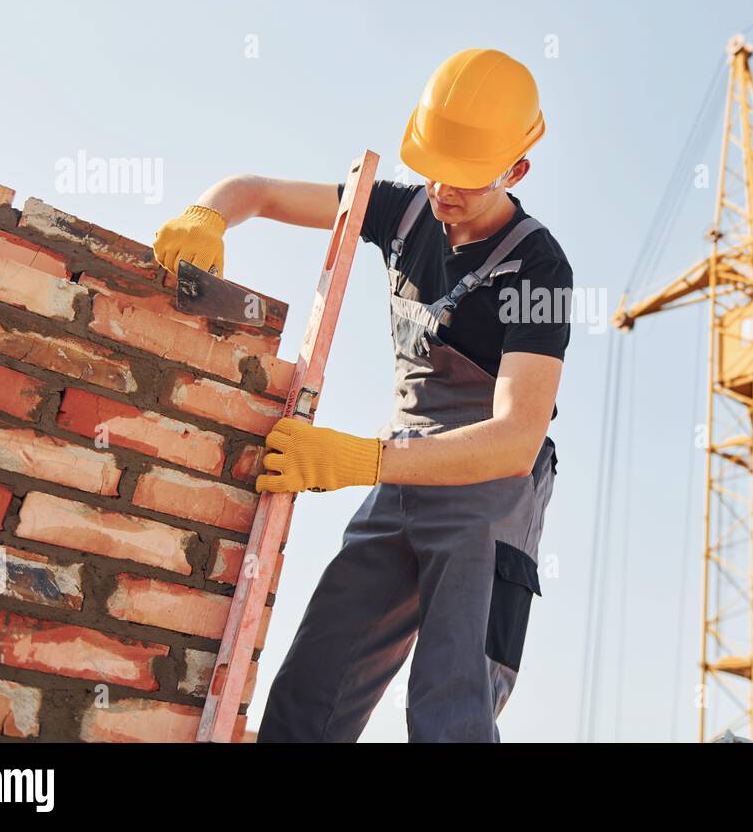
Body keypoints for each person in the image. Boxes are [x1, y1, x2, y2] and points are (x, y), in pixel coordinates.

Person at [151, 48, 572, 742]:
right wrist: (210, 213)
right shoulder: (401, 213)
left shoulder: (539, 265)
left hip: (485, 498)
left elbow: (515, 438)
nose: (445, 192)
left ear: (516, 170)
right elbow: (257, 189)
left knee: (449, 712)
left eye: (468, 178)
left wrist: (360, 462)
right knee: (309, 697)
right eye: (437, 169)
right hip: (398, 473)